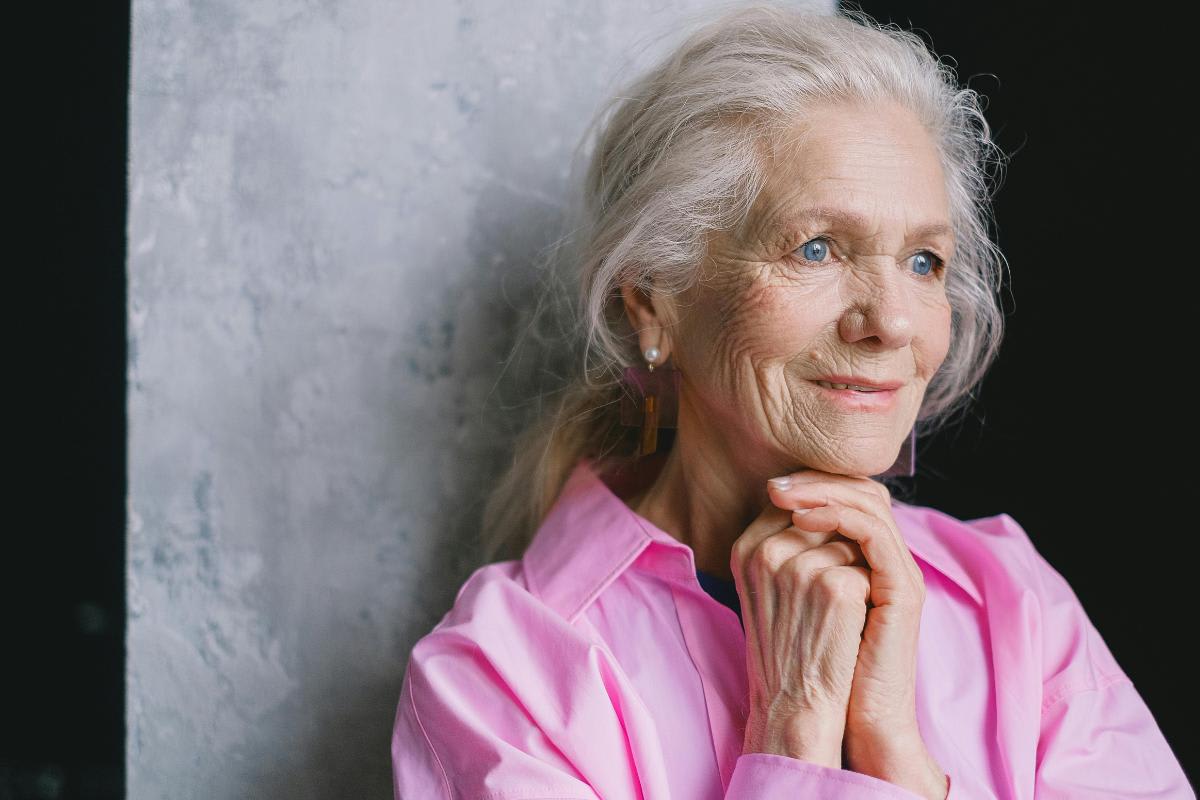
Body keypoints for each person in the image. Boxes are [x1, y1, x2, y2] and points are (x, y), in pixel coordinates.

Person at [391, 4, 1194, 798]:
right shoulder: (497, 681)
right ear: (652, 302)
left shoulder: (1013, 601)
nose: (892, 322)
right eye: (817, 248)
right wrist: (794, 726)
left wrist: (900, 760)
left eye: (924, 261)